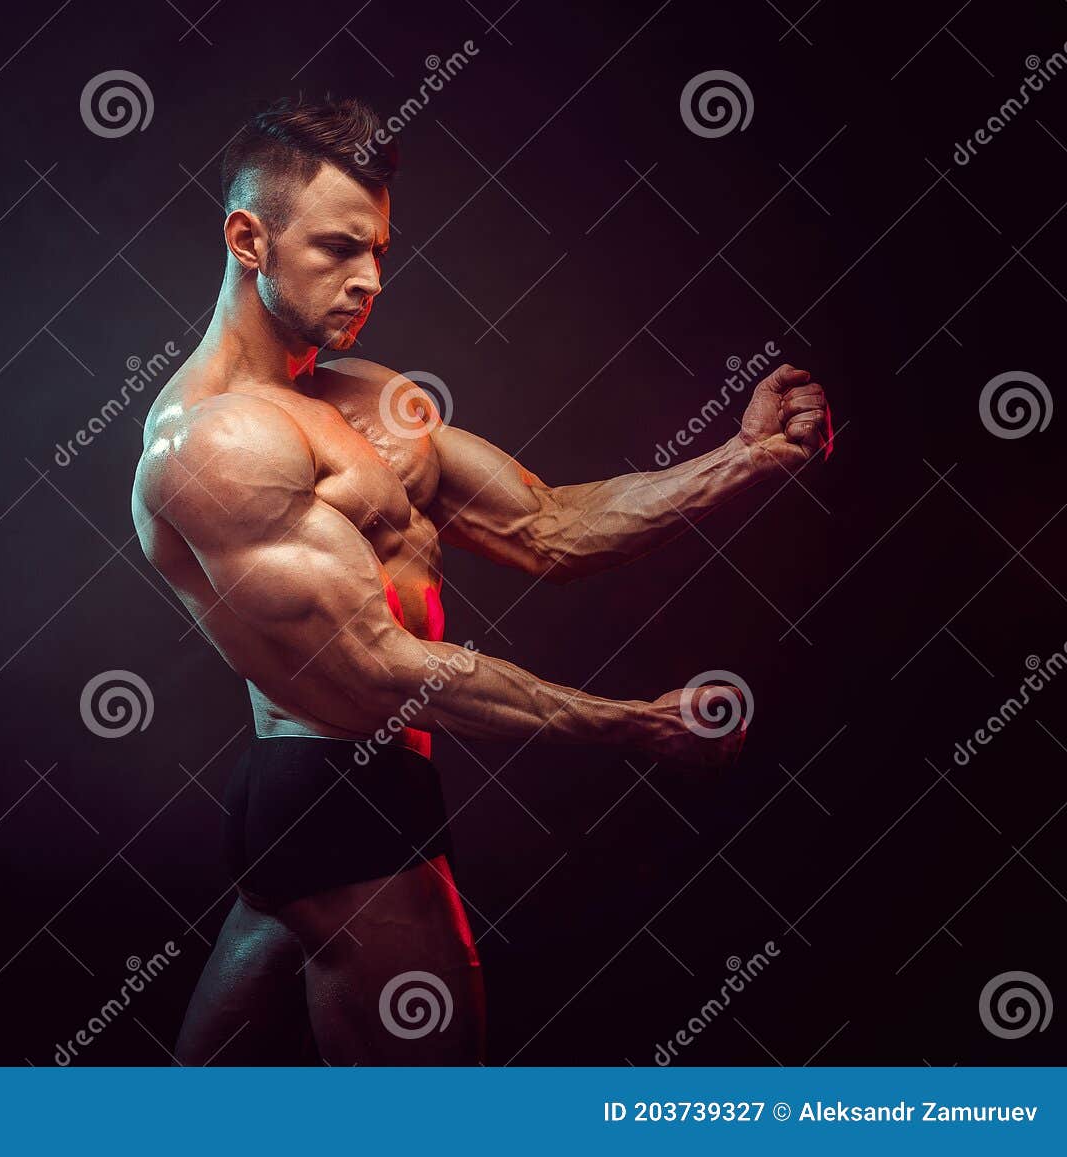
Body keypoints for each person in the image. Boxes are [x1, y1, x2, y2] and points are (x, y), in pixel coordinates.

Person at [130, 96, 832, 1064]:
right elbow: (379, 670)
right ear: (248, 238)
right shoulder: (211, 443)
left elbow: (546, 525)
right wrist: (631, 723)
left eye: (377, 248)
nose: (368, 278)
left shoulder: (357, 393)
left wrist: (741, 460)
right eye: (338, 248)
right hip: (342, 800)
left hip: (330, 798)